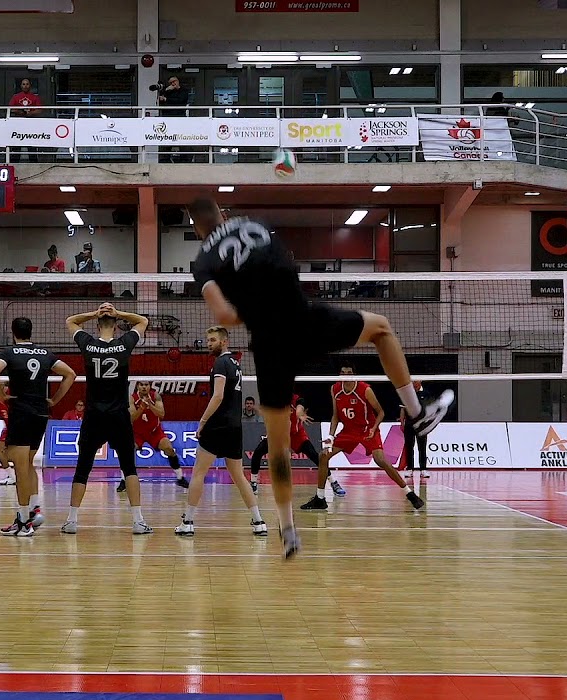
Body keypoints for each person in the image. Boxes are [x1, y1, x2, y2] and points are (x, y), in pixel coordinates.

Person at [186, 196, 452, 558]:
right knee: (381, 330)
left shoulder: (202, 261)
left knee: (278, 449)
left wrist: (252, 311)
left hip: (269, 347)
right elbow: (286, 266)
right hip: (305, 322)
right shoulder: (256, 224)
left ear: (196, 228)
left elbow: (223, 314)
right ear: (224, 214)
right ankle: (416, 412)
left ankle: (287, 528)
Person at [62, 303, 151, 535]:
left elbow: (71, 321)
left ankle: (72, 521)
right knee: (129, 468)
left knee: (83, 468)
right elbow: (143, 321)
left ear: (98, 324)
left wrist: (94, 313)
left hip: (93, 415)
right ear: (115, 324)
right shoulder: (124, 345)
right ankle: (138, 521)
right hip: (118, 415)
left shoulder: (89, 345)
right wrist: (118, 313)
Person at [174, 326, 269, 538]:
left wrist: (202, 421)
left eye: (212, 340)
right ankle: (259, 521)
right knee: (238, 475)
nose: (208, 343)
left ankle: (188, 522)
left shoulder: (220, 363)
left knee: (199, 472)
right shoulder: (235, 363)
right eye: (207, 340)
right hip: (235, 426)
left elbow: (217, 396)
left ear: (224, 341)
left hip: (217, 425)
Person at [0, 317, 77, 537]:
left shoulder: (8, 353)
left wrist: (1, 396)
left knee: (20, 467)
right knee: (27, 464)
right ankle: (35, 511)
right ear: (31, 331)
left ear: (13, 332)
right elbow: (70, 374)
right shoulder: (45, 354)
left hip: (22, 411)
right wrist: (54, 400)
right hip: (41, 413)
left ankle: (23, 521)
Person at [304, 367, 423, 511]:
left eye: (349, 373)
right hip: (349, 431)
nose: (345, 376)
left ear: (355, 375)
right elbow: (335, 416)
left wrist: (374, 429)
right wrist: (330, 436)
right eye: (343, 373)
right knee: (323, 456)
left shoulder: (365, 389)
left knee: (381, 460)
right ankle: (320, 498)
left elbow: (381, 412)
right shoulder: (335, 389)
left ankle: (410, 494)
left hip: (368, 429)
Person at [246, 393, 329, 498]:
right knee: (258, 452)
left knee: (315, 456)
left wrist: (299, 413)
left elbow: (300, 407)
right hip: (278, 434)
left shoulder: (297, 399)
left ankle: (333, 482)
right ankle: (253, 482)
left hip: (297, 435)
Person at [126, 380, 186, 493]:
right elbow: (131, 418)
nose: (144, 387)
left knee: (169, 449)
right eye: (141, 385)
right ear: (137, 386)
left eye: (146, 385)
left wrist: (150, 405)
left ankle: (180, 478)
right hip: (137, 432)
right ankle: (124, 480)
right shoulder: (132, 398)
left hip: (154, 431)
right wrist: (142, 407)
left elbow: (161, 414)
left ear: (150, 386)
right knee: (128, 450)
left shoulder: (155, 396)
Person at [399, 380, 430, 481]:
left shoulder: (426, 393)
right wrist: (402, 422)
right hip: (409, 424)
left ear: (420, 382)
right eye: (413, 382)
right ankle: (409, 469)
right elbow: (403, 409)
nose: (414, 384)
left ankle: (423, 469)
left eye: (416, 382)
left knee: (422, 447)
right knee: (409, 447)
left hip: (421, 425)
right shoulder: (407, 394)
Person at [157, 76, 190, 163]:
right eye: (171, 82)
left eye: (174, 81)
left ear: (178, 81)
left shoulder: (184, 91)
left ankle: (184, 159)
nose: (173, 83)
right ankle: (165, 159)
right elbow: (160, 101)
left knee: (182, 138)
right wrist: (166, 91)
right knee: (167, 138)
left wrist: (167, 99)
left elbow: (181, 101)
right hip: (168, 118)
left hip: (180, 118)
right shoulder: (168, 91)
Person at [9, 78, 43, 163]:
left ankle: (34, 163)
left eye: (27, 84)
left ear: (30, 85)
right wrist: (20, 112)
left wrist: (30, 113)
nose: (25, 86)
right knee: (16, 143)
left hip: (31, 124)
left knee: (31, 143)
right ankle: (14, 162)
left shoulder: (35, 97)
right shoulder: (16, 97)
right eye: (23, 84)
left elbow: (40, 110)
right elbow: (11, 108)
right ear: (21, 86)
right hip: (18, 124)